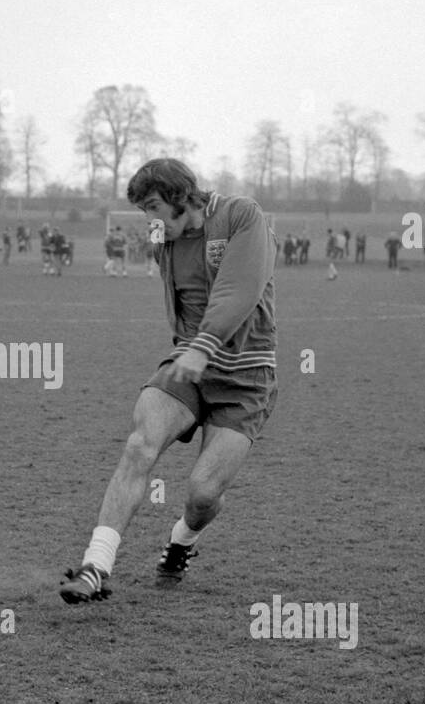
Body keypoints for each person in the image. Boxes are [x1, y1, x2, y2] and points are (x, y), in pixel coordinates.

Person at [60, 159, 277, 603]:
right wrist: (190, 348)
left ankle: (181, 542)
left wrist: (205, 344)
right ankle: (96, 566)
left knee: (202, 496)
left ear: (182, 196)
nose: (150, 221)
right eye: (143, 211)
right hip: (187, 365)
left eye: (154, 206)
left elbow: (241, 289)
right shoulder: (162, 239)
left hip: (246, 376)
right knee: (140, 445)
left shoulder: (240, 215)